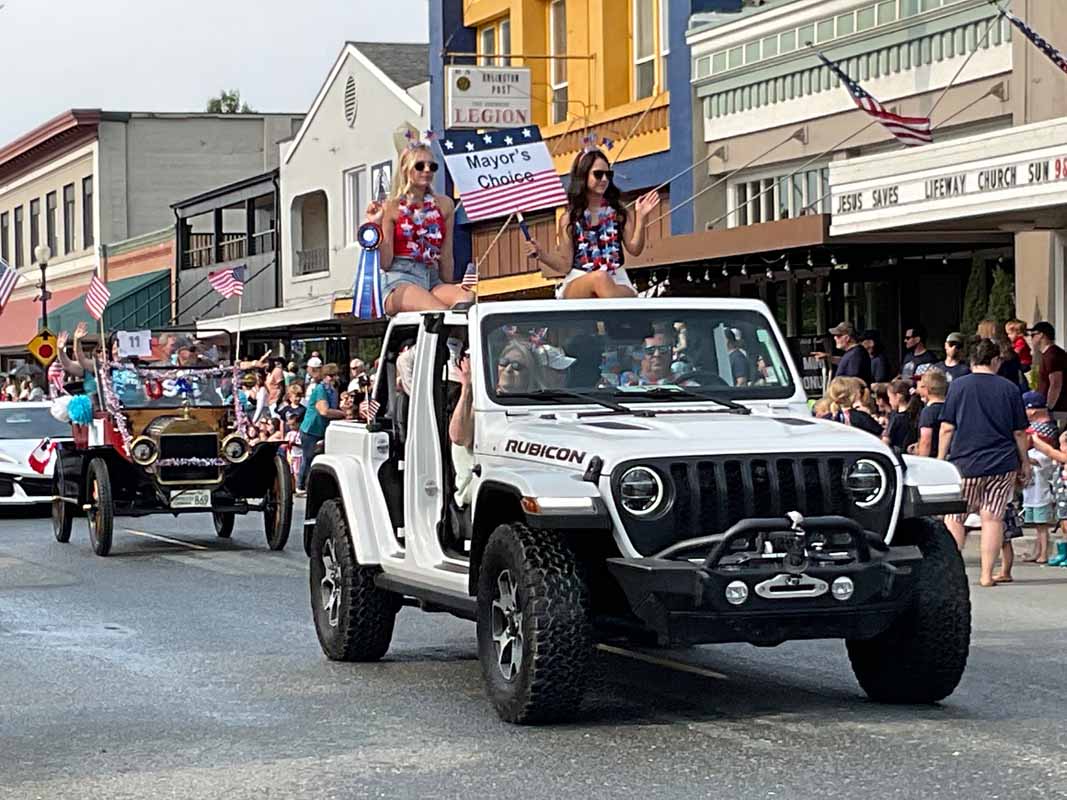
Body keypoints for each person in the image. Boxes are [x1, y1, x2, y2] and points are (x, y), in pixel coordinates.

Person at [938, 338, 1030, 587]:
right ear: (995, 360)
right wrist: (1026, 463)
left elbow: (947, 427)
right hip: (1001, 463)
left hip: (965, 462)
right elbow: (1019, 432)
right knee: (993, 518)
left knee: (955, 516)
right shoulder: (1010, 389)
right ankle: (987, 574)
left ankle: (952, 573)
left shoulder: (958, 386)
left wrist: (939, 460)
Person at [523, 147, 660, 299]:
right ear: (583, 176)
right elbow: (565, 265)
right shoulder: (569, 219)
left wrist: (641, 217)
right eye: (598, 174)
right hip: (579, 279)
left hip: (617, 278)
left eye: (608, 175)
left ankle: (613, 321)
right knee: (600, 278)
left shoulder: (619, 213)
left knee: (607, 282)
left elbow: (635, 249)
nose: (604, 180)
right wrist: (542, 254)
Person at [365, 133, 471, 315]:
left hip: (432, 276)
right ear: (406, 169)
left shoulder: (444, 205)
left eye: (432, 166)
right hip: (400, 277)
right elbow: (385, 262)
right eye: (420, 166)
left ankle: (452, 344)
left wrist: (452, 284)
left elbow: (446, 254)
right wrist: (375, 225)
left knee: (466, 301)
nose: (427, 170)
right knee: (439, 312)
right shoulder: (392, 207)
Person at [1019, 391, 1057, 565]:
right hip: (1032, 489)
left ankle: (1043, 552)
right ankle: (1037, 551)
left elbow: (1041, 459)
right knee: (1036, 524)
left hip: (1041, 488)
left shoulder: (1042, 431)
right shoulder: (1037, 429)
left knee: (1042, 526)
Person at [297, 369, 346, 495]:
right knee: (309, 458)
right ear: (324, 377)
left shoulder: (333, 391)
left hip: (323, 429)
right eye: (330, 375)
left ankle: (315, 487)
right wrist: (344, 415)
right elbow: (324, 411)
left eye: (335, 375)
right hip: (311, 428)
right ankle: (301, 485)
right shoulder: (320, 389)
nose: (334, 378)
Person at [1029, 321, 1067, 421]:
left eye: (1033, 335)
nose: (1031, 339)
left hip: (1058, 410)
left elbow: (1056, 383)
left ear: (1041, 335)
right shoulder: (1048, 354)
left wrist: (1049, 408)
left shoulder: (1052, 355)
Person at [915, 369, 947, 458]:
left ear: (927, 389)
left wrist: (922, 461)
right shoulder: (951, 408)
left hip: (933, 459)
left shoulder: (928, 412)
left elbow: (926, 440)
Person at [883, 378, 920, 451]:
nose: (889, 401)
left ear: (898, 396)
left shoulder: (896, 417)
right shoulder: (915, 414)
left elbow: (886, 441)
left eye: (890, 398)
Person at [284, 415, 302, 484]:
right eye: (290, 425)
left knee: (297, 472)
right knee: (292, 471)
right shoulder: (289, 434)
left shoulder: (301, 433)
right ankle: (294, 486)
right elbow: (285, 444)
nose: (291, 427)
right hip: (291, 455)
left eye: (293, 425)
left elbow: (302, 444)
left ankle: (299, 485)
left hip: (299, 455)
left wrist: (294, 444)